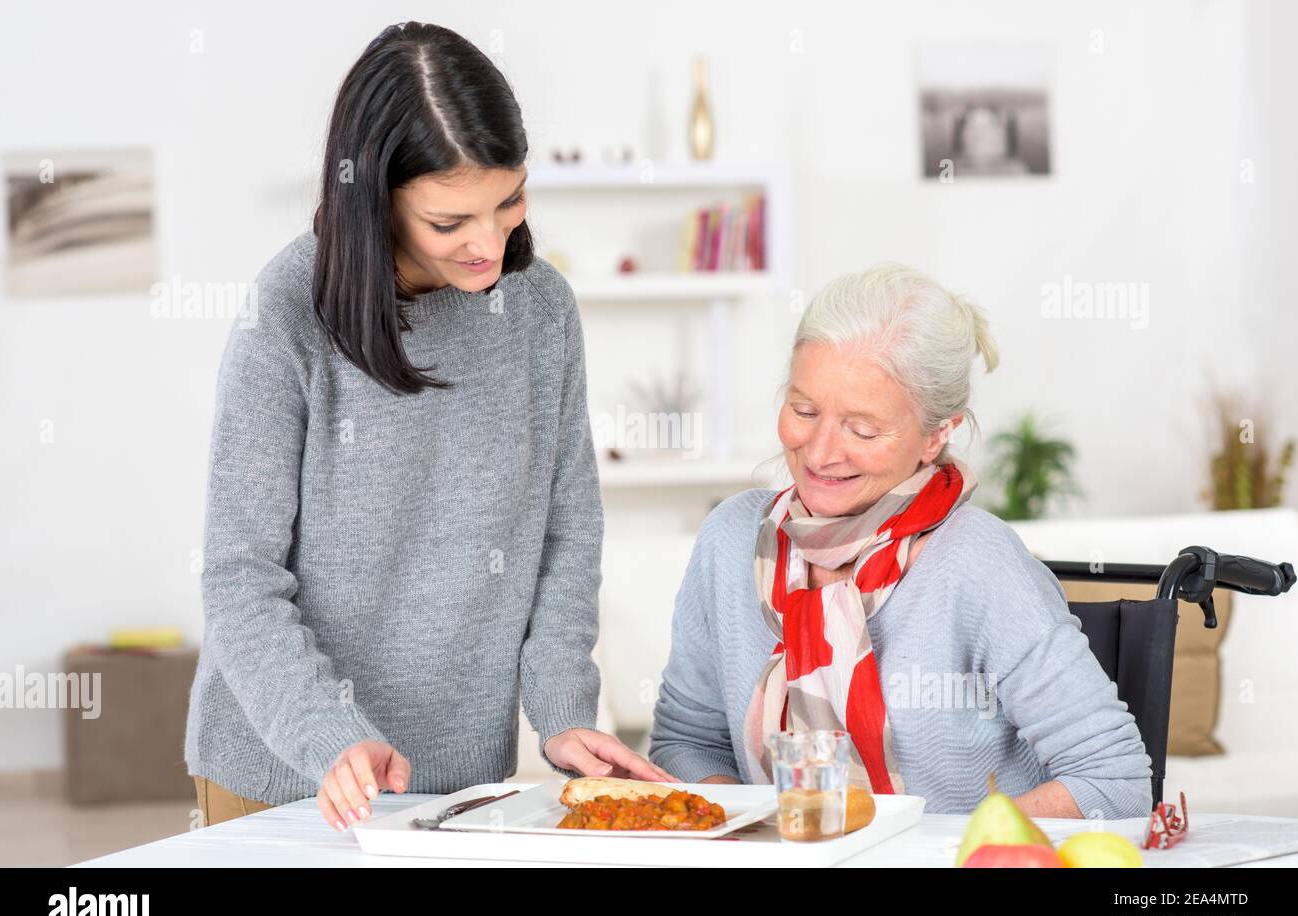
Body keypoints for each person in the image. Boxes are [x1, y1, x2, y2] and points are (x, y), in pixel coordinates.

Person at [186, 21, 674, 832]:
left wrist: (563, 708)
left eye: (510, 201)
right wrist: (331, 736)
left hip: (461, 788)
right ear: (374, 199)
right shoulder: (286, 313)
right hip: (282, 777)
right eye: (450, 223)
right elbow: (240, 577)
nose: (489, 243)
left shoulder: (542, 311)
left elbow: (567, 526)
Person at [649, 263, 1152, 819]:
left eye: (862, 429)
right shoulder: (730, 539)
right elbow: (686, 745)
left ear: (936, 435)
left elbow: (1116, 782)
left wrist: (932, 853)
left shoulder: (978, 562)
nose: (818, 453)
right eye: (804, 411)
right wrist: (769, 837)